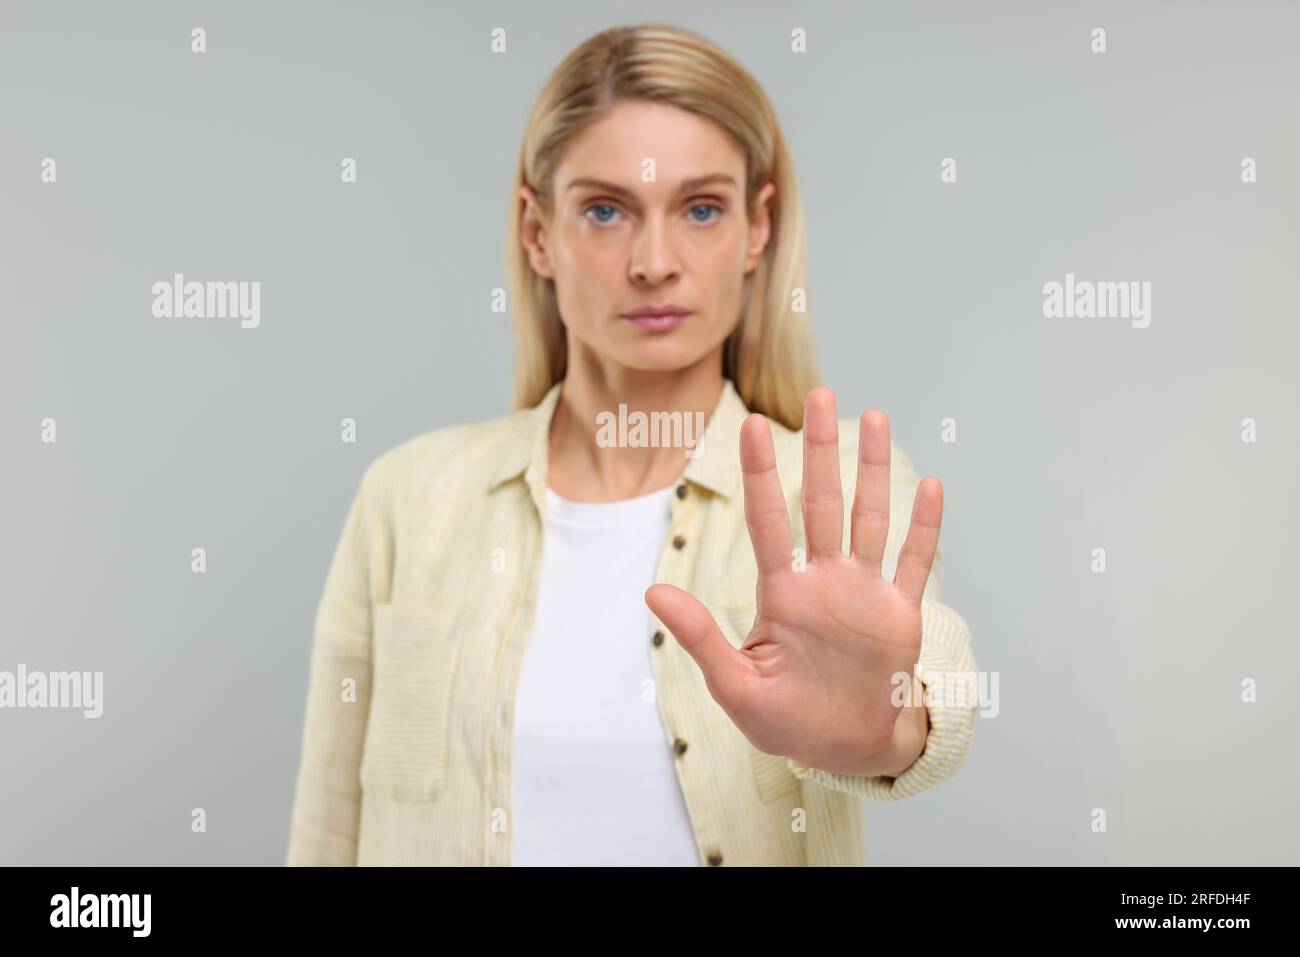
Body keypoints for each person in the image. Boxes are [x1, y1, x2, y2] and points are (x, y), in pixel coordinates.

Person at [287, 22, 977, 867]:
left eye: (701, 208)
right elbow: (326, 829)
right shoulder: (406, 496)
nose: (654, 262)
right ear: (538, 232)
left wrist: (883, 727)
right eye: (605, 210)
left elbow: (939, 696)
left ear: (758, 227)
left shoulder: (833, 492)